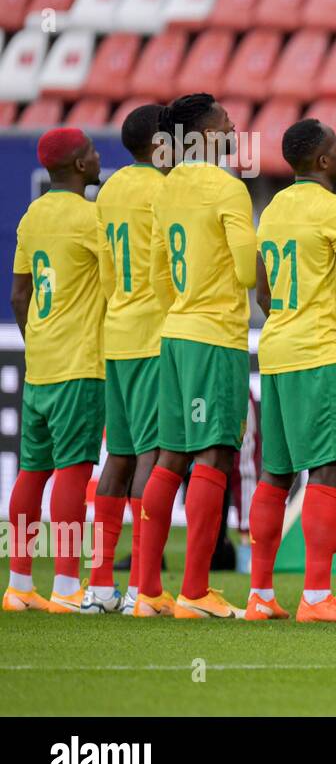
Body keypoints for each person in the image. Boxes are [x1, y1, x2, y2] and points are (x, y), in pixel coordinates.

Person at [134, 93, 255, 620]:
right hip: (213, 338)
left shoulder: (167, 189)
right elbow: (249, 272)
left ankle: (147, 590)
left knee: (170, 456)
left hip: (175, 334)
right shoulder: (227, 187)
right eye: (226, 121)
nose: (233, 127)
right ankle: (195, 592)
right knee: (213, 456)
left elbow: (159, 268)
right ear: (206, 133)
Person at [245, 119, 336, 623]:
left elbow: (263, 293)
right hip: (320, 352)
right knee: (330, 468)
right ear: (321, 160)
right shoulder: (334, 209)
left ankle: (260, 593)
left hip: (276, 350)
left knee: (276, 473)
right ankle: (316, 595)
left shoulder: (272, 210)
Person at [3, 128, 106, 613]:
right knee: (73, 470)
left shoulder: (32, 216)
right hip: (81, 363)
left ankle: (19, 584)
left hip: (40, 364)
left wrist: (37, 340)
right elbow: (117, 282)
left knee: (31, 471)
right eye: (91, 151)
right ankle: (67, 586)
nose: (98, 154)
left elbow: (19, 295)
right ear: (81, 166)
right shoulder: (91, 219)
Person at [86, 105, 167, 615]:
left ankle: (99, 586)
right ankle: (142, 587)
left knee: (119, 453)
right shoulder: (166, 190)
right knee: (152, 455)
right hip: (155, 333)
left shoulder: (109, 190)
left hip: (116, 330)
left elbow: (107, 269)